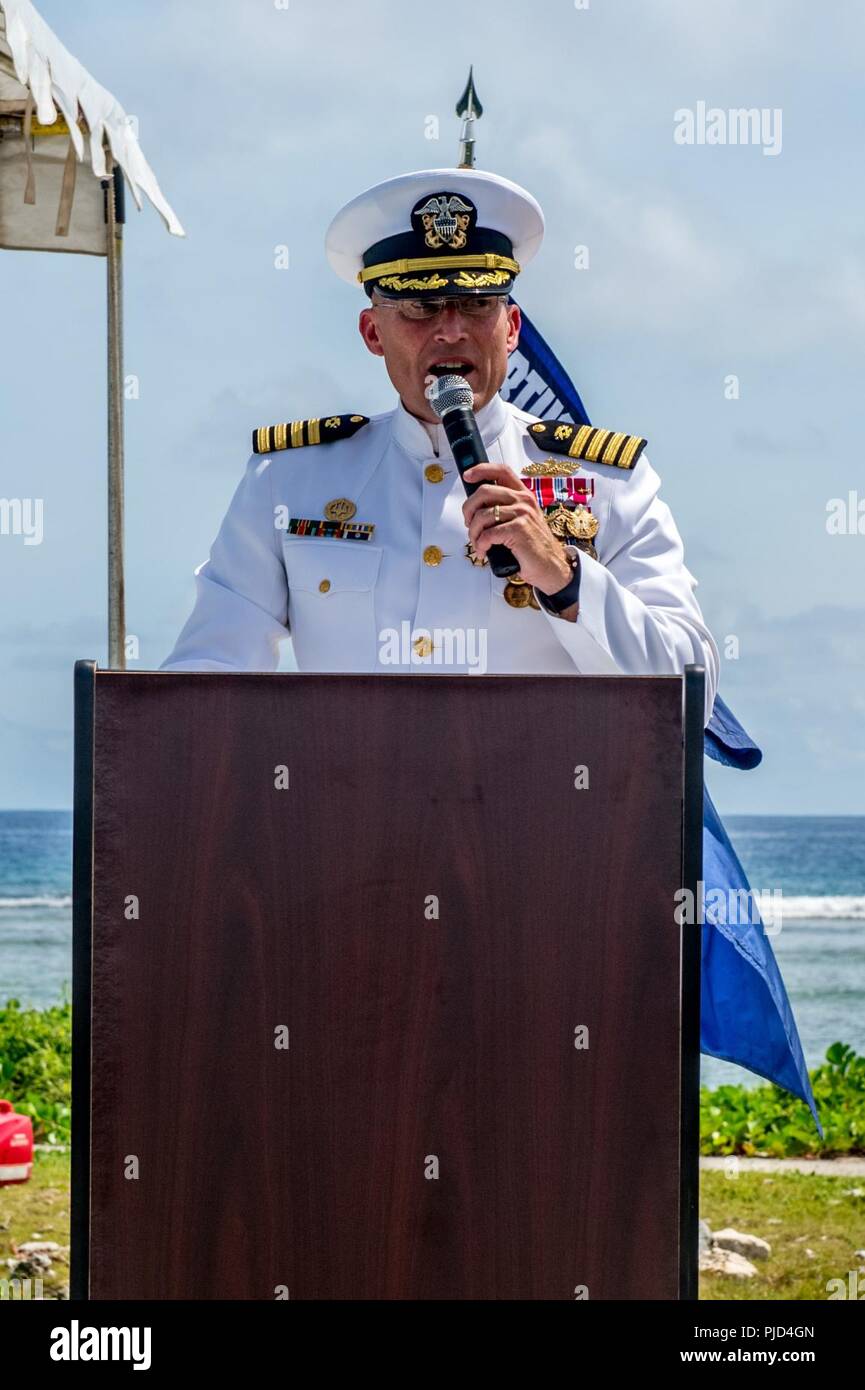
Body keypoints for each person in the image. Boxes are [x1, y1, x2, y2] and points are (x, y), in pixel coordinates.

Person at [160, 167, 719, 718]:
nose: (452, 329)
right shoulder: (288, 482)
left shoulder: (607, 482)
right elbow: (207, 678)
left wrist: (564, 575)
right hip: (350, 806)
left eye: (478, 304)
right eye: (421, 307)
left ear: (512, 328)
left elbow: (691, 696)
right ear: (373, 333)